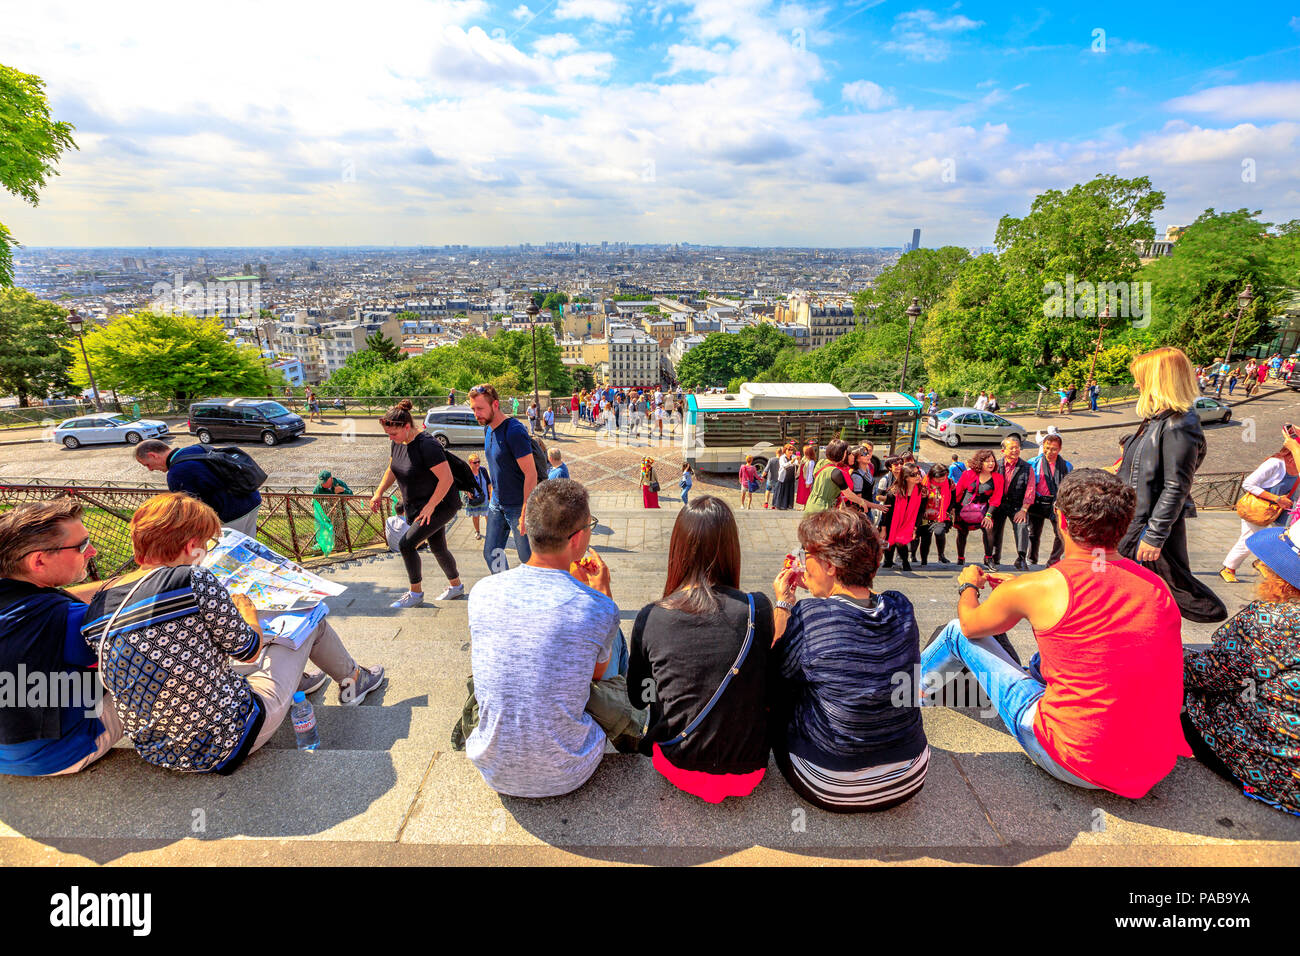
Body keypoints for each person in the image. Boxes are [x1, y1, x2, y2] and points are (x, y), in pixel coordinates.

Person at [922, 469, 1190, 796]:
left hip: (1074, 760)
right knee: (1052, 654)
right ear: (1125, 524)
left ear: (1060, 520)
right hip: (1152, 765)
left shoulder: (1042, 586)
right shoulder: (1155, 585)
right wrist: (1022, 588)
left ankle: (899, 696)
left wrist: (968, 586)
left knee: (954, 633)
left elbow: (970, 624)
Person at [81, 493, 384, 774]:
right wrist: (248, 614)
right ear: (191, 547)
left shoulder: (100, 604)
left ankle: (300, 680)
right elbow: (248, 649)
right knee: (309, 618)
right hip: (228, 739)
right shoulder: (192, 579)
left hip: (158, 750)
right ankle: (354, 680)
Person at [462, 479, 645, 797]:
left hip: (493, 769)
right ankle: (633, 708)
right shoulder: (598, 607)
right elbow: (595, 677)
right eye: (590, 526)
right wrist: (601, 592)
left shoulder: (482, 592)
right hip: (569, 771)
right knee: (611, 641)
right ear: (577, 540)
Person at [771, 509, 930, 812]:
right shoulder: (900, 606)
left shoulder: (810, 617)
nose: (804, 565)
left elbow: (777, 672)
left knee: (789, 684)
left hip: (831, 783)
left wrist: (784, 605)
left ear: (829, 565)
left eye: (808, 557)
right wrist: (827, 591)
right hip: (910, 774)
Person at [627, 497, 773, 802]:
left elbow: (639, 698)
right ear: (732, 548)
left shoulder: (651, 616)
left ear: (678, 549)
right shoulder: (756, 608)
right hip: (750, 770)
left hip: (677, 764)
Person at [0, 500, 125, 776]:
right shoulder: (67, 620)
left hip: (6, 752)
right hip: (55, 756)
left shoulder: (17, 597)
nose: (92, 551)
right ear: (39, 560)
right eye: (82, 546)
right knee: (156, 665)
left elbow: (55, 599)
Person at [1184, 523, 1300, 816]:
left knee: (1177, 701)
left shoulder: (1274, 621)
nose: (1261, 564)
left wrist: (1161, 653)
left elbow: (1208, 675)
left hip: (1277, 768)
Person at [1117, 346, 1227, 623]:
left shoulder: (1179, 424)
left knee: (1144, 595)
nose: (1136, 383)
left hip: (1145, 526)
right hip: (1134, 521)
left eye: (1140, 377)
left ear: (1159, 379)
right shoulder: (1158, 420)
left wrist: (1154, 535)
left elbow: (1176, 486)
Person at [368, 400, 465, 608]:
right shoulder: (398, 442)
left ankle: (415, 593)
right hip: (419, 504)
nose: (390, 438)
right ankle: (456, 587)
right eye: (388, 434)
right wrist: (378, 492)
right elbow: (392, 468)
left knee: (406, 544)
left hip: (440, 505)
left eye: (393, 434)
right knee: (438, 546)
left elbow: (447, 479)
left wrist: (430, 507)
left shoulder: (428, 445)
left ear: (406, 427)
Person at [470, 383, 538, 572]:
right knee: (491, 552)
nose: (477, 414)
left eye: (480, 408)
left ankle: (534, 597)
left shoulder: (514, 431)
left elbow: (530, 473)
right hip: (497, 503)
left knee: (528, 559)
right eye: (474, 409)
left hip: (518, 506)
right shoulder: (488, 428)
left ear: (496, 405)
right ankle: (505, 590)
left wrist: (526, 510)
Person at [134, 439, 262, 538]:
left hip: (231, 514)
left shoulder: (176, 474)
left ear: (153, 455)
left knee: (231, 555)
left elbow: (191, 510)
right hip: (251, 498)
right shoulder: (197, 448)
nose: (150, 469)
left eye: (147, 465)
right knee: (248, 543)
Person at [1218, 430, 1300, 583]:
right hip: (1261, 506)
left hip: (1285, 508)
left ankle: (1263, 563)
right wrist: (1276, 498)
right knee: (1249, 538)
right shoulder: (1275, 463)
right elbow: (1248, 483)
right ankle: (1229, 568)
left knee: (1286, 538)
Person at [1025, 433, 1073, 567]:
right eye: (1047, 448)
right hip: (1037, 503)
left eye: (1053, 449)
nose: (1049, 452)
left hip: (1056, 504)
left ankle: (1053, 560)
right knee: (1033, 534)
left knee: (1061, 533)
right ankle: (1032, 559)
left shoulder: (1067, 466)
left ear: (1059, 449)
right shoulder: (1033, 463)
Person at [952, 449, 1003, 569]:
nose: (991, 464)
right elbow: (958, 492)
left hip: (983, 510)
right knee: (962, 532)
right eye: (987, 461)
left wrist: (988, 515)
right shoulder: (968, 474)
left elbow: (996, 498)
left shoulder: (998, 478)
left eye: (993, 461)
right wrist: (953, 509)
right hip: (964, 508)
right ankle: (960, 558)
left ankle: (988, 558)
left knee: (988, 529)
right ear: (980, 462)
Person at [991, 436, 1035, 571]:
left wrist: (1024, 509)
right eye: (1012, 448)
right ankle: (993, 557)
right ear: (1003, 451)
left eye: (1017, 447)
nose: (1015, 450)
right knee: (994, 529)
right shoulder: (996, 466)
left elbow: (1030, 489)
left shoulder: (1027, 468)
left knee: (1022, 526)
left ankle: (1021, 558)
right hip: (999, 503)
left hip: (1017, 505)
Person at [803, 439, 875, 517]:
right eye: (847, 452)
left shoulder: (821, 463)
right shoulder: (836, 472)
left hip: (811, 504)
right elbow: (848, 494)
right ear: (842, 453)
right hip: (823, 509)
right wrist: (862, 502)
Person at [880, 462, 924, 571]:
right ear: (906, 478)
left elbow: (920, 511)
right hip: (892, 522)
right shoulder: (893, 493)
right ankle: (888, 561)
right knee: (890, 544)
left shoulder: (922, 492)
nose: (918, 476)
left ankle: (905, 562)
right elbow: (886, 512)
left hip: (909, 522)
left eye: (918, 473)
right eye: (914, 475)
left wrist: (915, 527)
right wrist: (883, 528)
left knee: (900, 541)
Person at [911, 462, 954, 567]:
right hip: (924, 516)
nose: (941, 481)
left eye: (943, 478)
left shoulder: (949, 483)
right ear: (932, 476)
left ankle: (941, 555)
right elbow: (917, 500)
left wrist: (949, 509)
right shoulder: (923, 484)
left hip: (941, 515)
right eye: (938, 479)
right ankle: (922, 560)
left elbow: (953, 497)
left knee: (939, 532)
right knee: (925, 538)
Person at [464, 452, 492, 541]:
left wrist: (490, 496)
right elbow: (463, 485)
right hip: (474, 499)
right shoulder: (467, 472)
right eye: (475, 462)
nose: (477, 464)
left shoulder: (483, 470)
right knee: (475, 516)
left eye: (478, 462)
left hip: (484, 498)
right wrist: (467, 492)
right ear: (470, 463)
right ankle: (477, 531)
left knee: (488, 516)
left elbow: (488, 483)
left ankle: (490, 533)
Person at [772, 443, 799, 511]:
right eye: (789, 450)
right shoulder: (782, 457)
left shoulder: (793, 456)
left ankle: (788, 505)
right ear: (785, 450)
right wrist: (791, 462)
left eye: (792, 450)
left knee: (790, 491)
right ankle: (780, 505)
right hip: (783, 477)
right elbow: (784, 466)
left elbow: (797, 463)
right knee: (782, 491)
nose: (790, 451)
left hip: (791, 477)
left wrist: (798, 460)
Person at [795, 443, 816, 509]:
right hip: (802, 478)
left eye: (805, 452)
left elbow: (810, 473)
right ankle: (804, 507)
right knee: (802, 493)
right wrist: (798, 460)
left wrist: (808, 482)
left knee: (806, 493)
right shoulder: (804, 459)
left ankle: (806, 506)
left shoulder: (811, 462)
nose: (804, 453)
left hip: (806, 479)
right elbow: (801, 465)